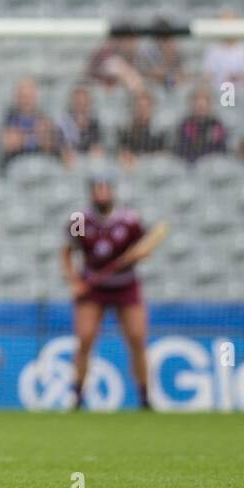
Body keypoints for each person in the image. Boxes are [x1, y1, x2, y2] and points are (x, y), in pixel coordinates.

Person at [61, 174, 153, 409]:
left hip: (125, 284)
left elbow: (144, 247)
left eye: (105, 189)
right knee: (85, 338)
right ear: (91, 193)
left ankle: (145, 398)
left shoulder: (130, 219)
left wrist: (140, 253)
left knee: (136, 338)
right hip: (93, 286)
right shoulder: (80, 219)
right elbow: (67, 252)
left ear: (112, 192)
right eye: (97, 189)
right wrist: (73, 280)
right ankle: (77, 396)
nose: (101, 194)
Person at [2, 76, 59, 166]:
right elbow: (11, 143)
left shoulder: (43, 116)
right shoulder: (9, 116)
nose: (26, 100)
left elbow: (49, 145)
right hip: (16, 164)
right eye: (23, 96)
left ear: (36, 96)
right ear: (16, 97)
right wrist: (37, 136)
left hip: (41, 163)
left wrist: (23, 137)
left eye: (29, 96)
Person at [174, 86, 228, 163]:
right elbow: (181, 151)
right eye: (197, 100)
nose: (201, 104)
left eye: (206, 100)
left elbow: (222, 151)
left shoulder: (218, 126)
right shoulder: (184, 125)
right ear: (191, 104)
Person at [57, 84, 104, 165]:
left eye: (84, 102)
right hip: (68, 162)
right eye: (78, 101)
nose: (81, 104)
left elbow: (97, 146)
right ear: (72, 102)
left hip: (89, 162)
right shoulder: (64, 123)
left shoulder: (94, 124)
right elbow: (62, 147)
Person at [117, 90, 167, 165]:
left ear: (152, 108)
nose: (143, 110)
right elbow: (124, 151)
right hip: (132, 166)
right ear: (134, 108)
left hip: (154, 166)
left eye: (146, 107)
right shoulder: (126, 129)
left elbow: (163, 153)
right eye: (139, 106)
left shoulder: (160, 130)